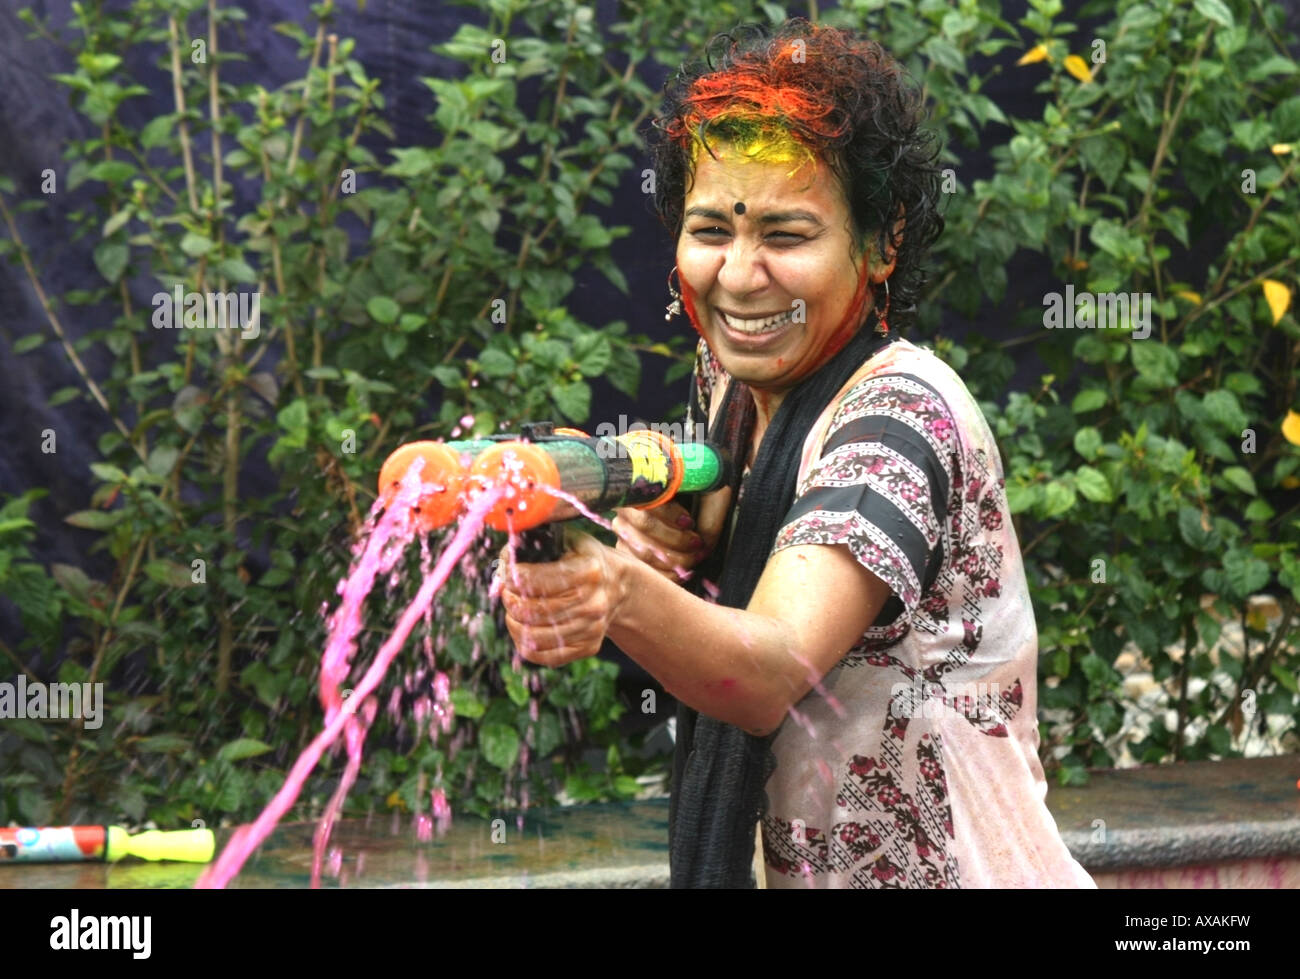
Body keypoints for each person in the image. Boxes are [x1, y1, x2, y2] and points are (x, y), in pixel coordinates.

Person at [498, 18, 1095, 890]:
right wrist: (672, 528)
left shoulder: (897, 417)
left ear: (882, 242)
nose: (739, 276)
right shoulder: (736, 382)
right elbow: (739, 542)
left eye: (785, 235)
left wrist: (617, 591)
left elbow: (772, 668)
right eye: (711, 229)